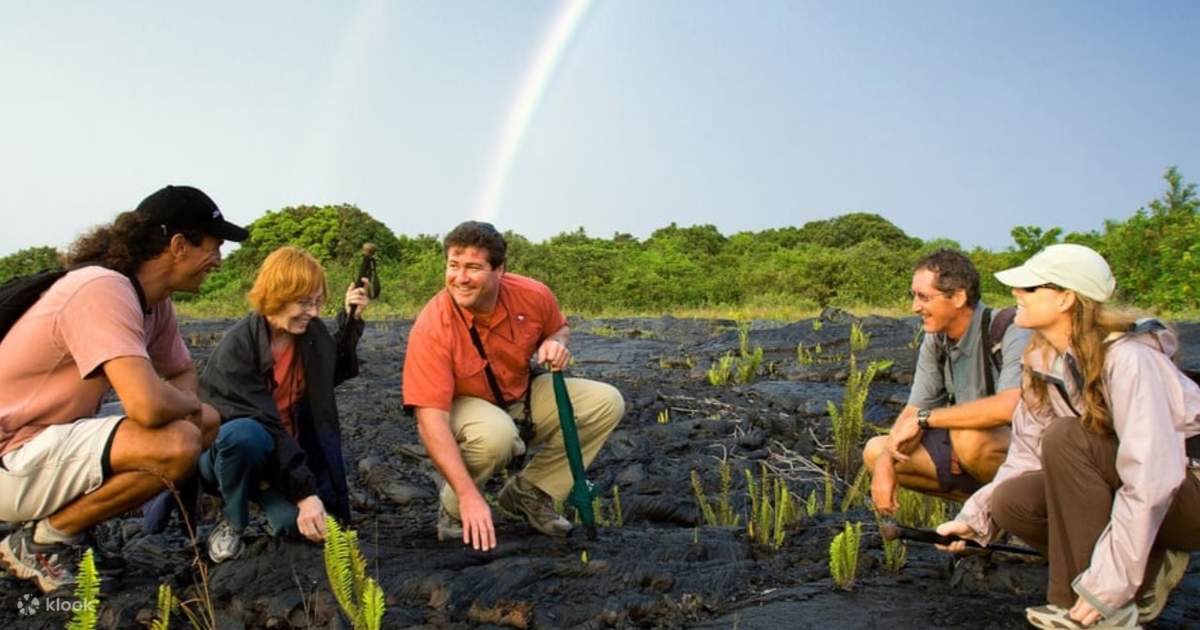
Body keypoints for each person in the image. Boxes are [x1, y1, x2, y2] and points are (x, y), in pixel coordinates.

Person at [935, 244, 1200, 628]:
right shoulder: (1043, 362)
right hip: (1145, 488)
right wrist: (976, 520)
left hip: (1186, 489)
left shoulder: (1131, 360)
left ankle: (1094, 608)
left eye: (1030, 288)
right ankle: (1125, 580)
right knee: (1013, 500)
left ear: (1065, 297)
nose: (1016, 294)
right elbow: (1024, 456)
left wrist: (1106, 588)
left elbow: (1152, 479)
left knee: (1067, 437)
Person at [0, 185, 247, 592]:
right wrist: (175, 406)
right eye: (214, 247)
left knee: (205, 422)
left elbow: (183, 373)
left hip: (45, 442)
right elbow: (147, 405)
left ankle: (61, 530)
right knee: (175, 443)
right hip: (12, 455)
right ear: (179, 245)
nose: (218, 261)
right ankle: (43, 539)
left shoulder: (154, 301)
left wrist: (180, 405)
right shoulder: (102, 288)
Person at [403, 221, 625, 551]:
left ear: (499, 270)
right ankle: (452, 510)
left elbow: (559, 328)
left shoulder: (532, 294)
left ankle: (530, 492)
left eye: (473, 268)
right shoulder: (433, 326)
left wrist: (554, 342)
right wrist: (468, 497)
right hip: (465, 404)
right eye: (453, 266)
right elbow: (429, 419)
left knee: (606, 401)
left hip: (519, 393)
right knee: (496, 436)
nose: (460, 278)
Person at [197, 246, 370, 562]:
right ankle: (233, 520)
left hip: (282, 459)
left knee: (304, 528)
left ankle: (267, 496)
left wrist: (350, 320)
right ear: (276, 296)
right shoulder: (237, 347)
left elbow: (334, 371)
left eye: (318, 302)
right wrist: (305, 494)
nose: (314, 312)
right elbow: (266, 422)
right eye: (305, 302)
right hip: (229, 459)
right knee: (244, 435)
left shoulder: (310, 333)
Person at [864, 250, 1032, 513]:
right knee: (876, 450)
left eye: (924, 297)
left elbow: (1009, 406)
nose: (914, 307)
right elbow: (913, 411)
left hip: (1034, 456)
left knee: (969, 439)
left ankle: (1019, 514)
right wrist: (885, 463)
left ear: (958, 297)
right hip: (975, 453)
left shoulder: (1011, 329)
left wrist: (927, 419)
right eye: (914, 296)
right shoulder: (936, 340)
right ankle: (982, 512)